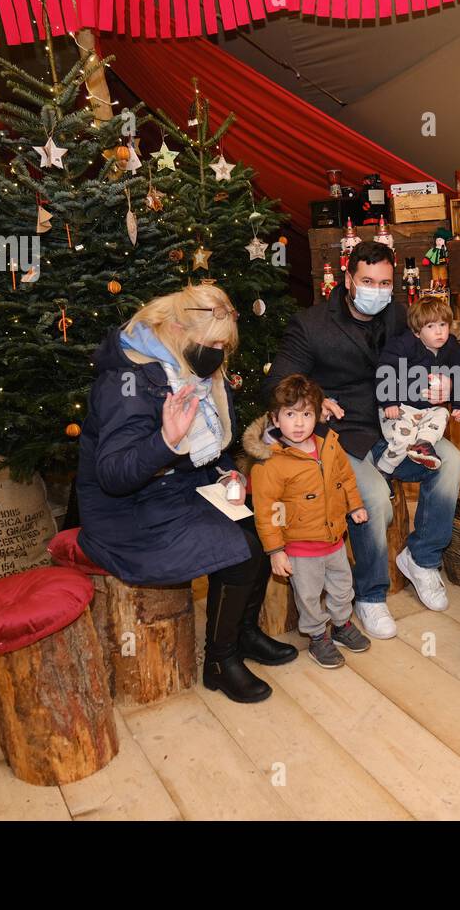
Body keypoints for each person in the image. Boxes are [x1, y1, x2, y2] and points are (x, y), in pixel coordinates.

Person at [76, 283, 297, 704]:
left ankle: (243, 633)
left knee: (262, 528)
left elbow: (210, 446)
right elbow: (113, 475)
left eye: (222, 344)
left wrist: (229, 474)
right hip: (126, 511)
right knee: (239, 550)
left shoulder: (193, 369)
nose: (216, 353)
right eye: (211, 343)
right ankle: (219, 660)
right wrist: (164, 440)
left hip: (177, 486)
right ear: (176, 328)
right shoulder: (126, 381)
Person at [262, 241, 460, 639]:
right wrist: (314, 402)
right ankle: (370, 596)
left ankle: (421, 558)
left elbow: (449, 357)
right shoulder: (311, 324)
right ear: (349, 279)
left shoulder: (403, 318)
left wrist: (449, 390)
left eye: (385, 282)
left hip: (400, 426)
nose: (377, 289)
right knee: (371, 497)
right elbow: (276, 383)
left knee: (451, 460)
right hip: (339, 435)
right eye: (368, 281)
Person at [244, 375, 373, 669]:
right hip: (301, 548)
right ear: (275, 419)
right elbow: (267, 510)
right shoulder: (270, 463)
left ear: (317, 415)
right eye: (290, 414)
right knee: (309, 596)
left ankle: (341, 626)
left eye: (306, 414)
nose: (299, 423)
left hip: (334, 539)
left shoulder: (329, 445)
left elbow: (345, 477)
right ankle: (317, 637)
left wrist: (355, 505)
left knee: (343, 587)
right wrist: (275, 550)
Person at [375, 295, 460, 472]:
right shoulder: (403, 345)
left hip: (425, 411)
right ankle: (384, 470)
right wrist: (389, 402)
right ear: (417, 331)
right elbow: (385, 368)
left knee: (442, 413)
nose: (439, 332)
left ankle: (424, 444)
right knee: (405, 438)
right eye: (430, 326)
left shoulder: (452, 346)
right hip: (400, 408)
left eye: (443, 325)